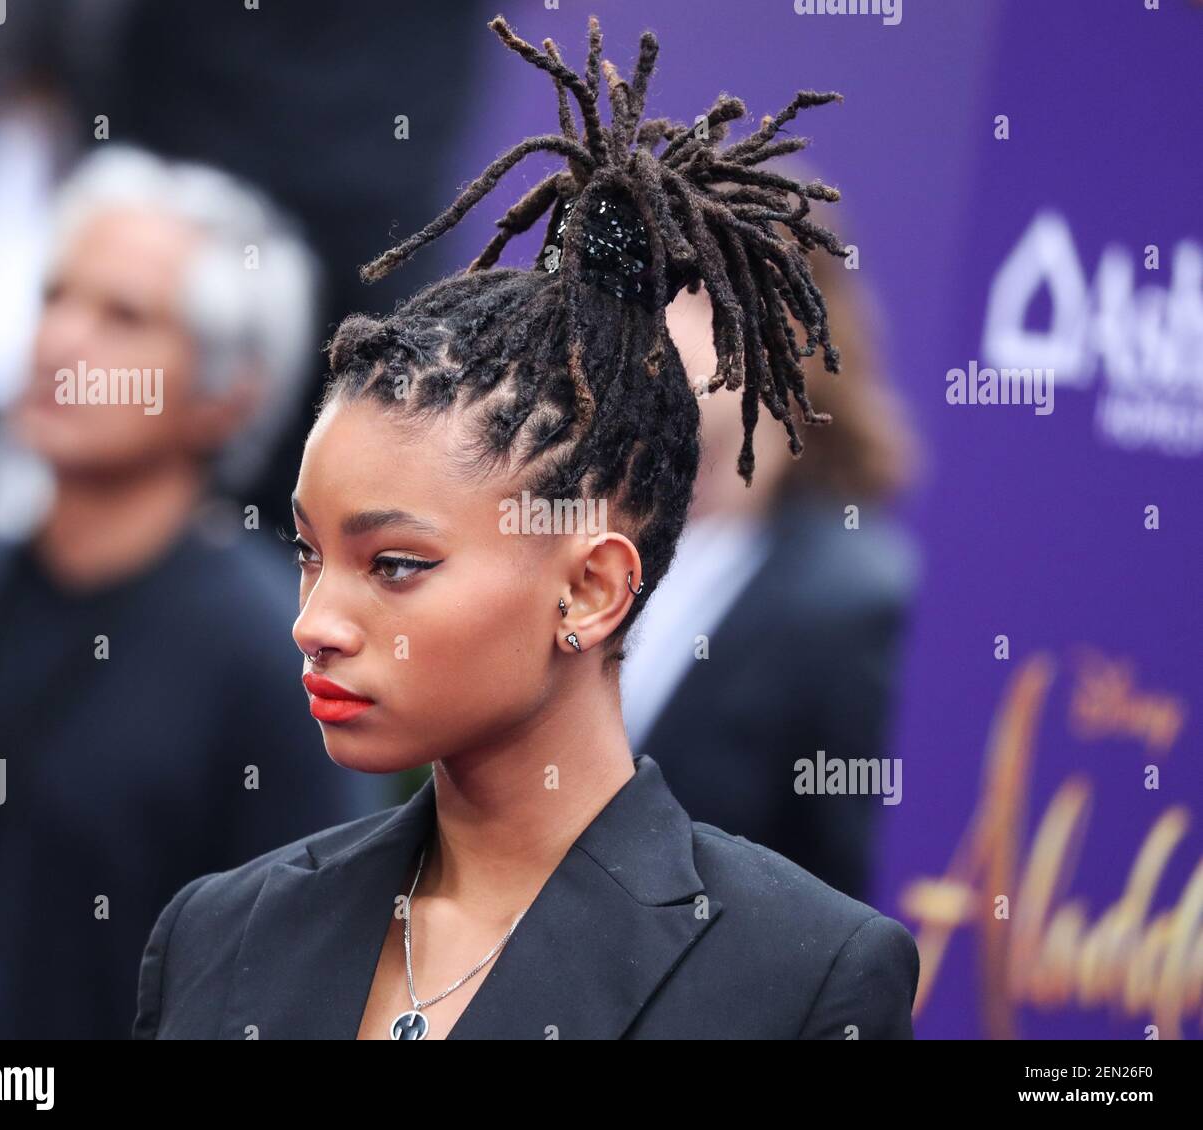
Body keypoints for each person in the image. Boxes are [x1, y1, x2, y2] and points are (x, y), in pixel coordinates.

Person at [133, 15, 920, 1040]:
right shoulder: (215, 934)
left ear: (590, 587)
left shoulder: (801, 979)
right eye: (309, 555)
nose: (315, 621)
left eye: (398, 564)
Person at [0, 147, 377, 1040]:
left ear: (230, 392)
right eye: (54, 297)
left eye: (123, 315)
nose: (64, 341)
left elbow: (303, 974)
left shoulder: (281, 655)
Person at [620, 225, 922, 902]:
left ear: (779, 330)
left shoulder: (856, 602)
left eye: (685, 296)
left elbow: (850, 904)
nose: (646, 327)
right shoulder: (579, 544)